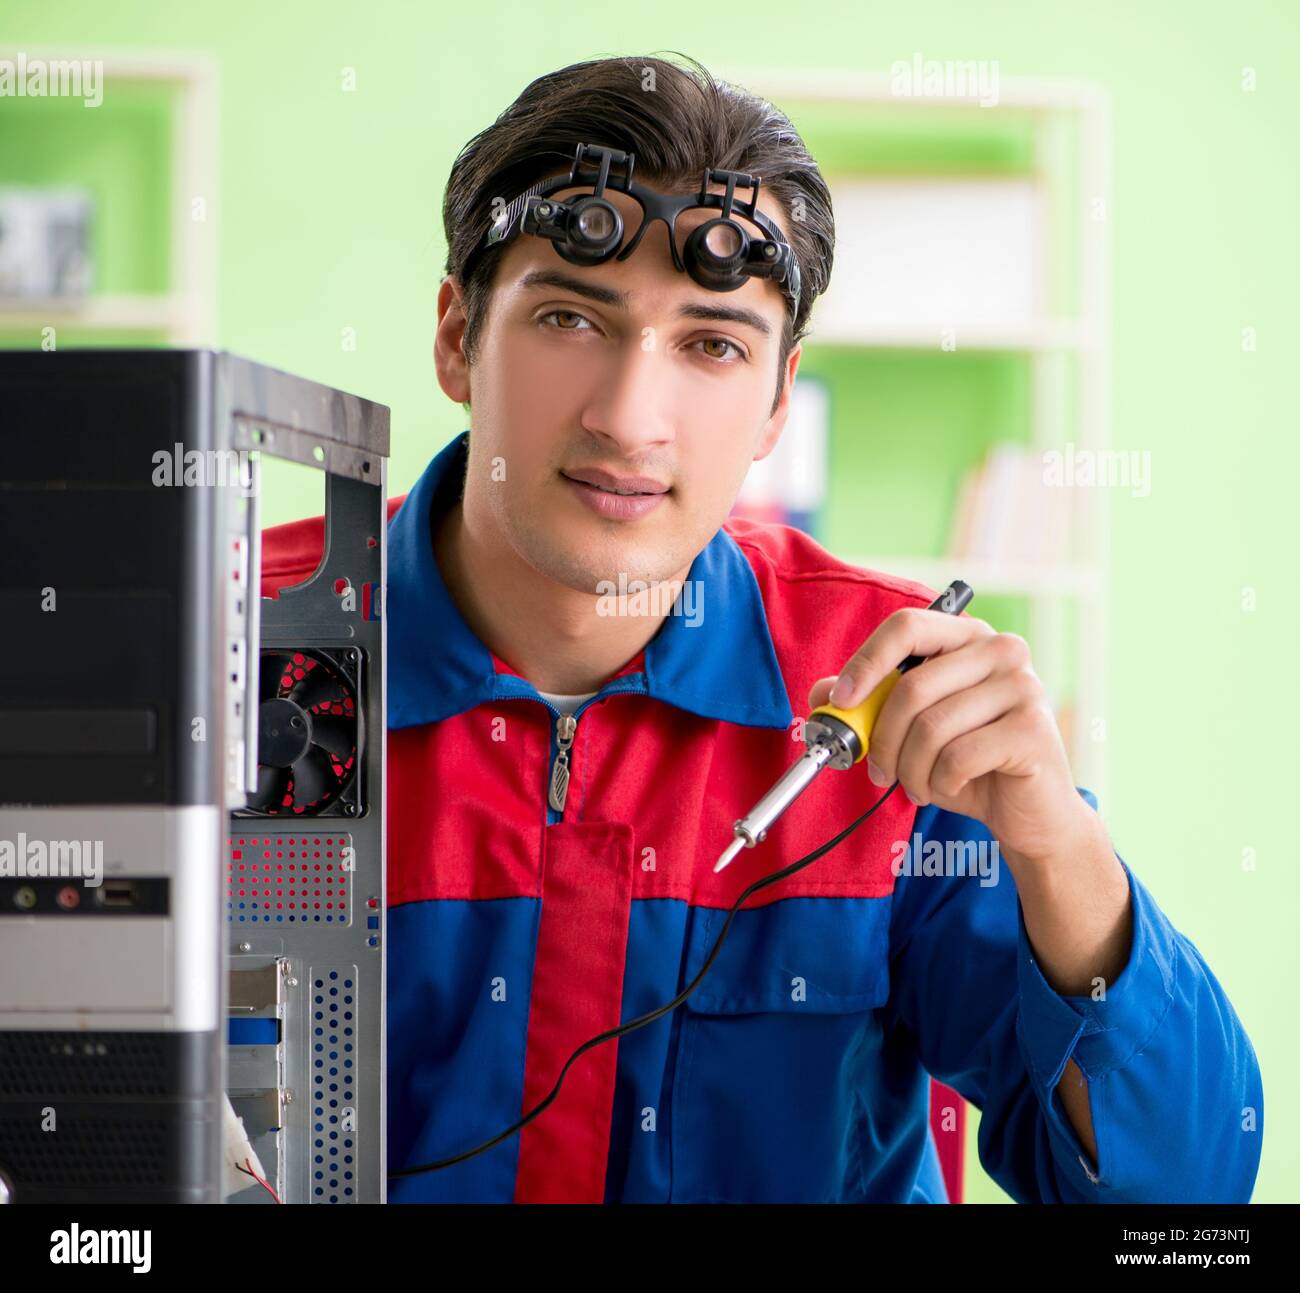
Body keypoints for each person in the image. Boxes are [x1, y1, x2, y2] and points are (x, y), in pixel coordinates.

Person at [260, 53, 1263, 1203]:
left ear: (779, 402)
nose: (630, 419)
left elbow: (1180, 1199)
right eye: (569, 319)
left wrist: (1057, 846)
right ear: (455, 337)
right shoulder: (232, 649)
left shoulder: (890, 695)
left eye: (713, 345)